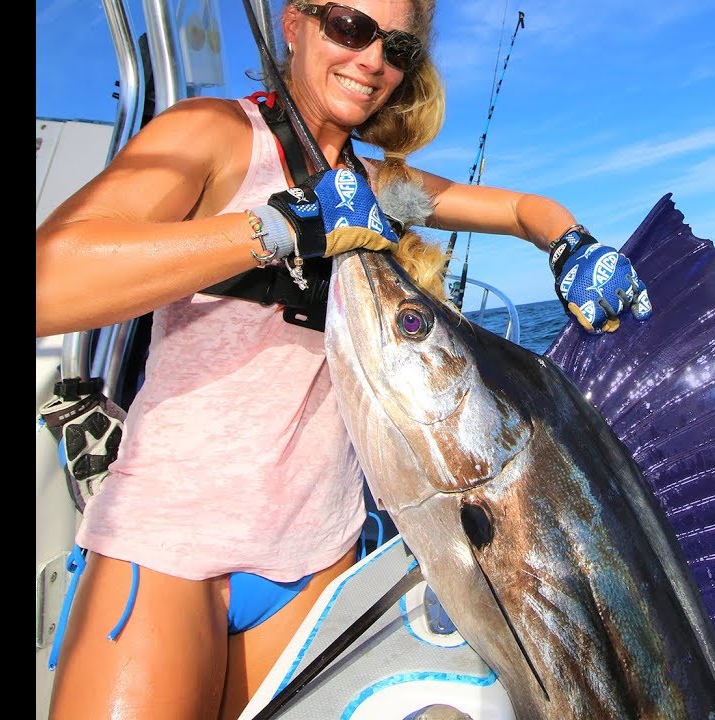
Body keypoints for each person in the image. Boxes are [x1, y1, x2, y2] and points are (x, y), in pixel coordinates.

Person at [34, 1, 651, 717]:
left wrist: (569, 242)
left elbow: (522, 209)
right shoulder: (215, 133)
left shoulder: (381, 189)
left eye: (398, 48)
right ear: (295, 24)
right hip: (168, 539)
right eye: (351, 28)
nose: (372, 60)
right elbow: (50, 282)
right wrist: (276, 228)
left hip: (320, 558)